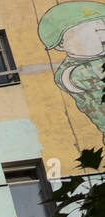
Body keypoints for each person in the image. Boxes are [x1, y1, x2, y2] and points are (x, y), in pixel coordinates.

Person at [39, 2, 105, 140]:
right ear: (61, 44)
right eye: (94, 30)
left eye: (104, 27)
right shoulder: (72, 73)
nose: (103, 36)